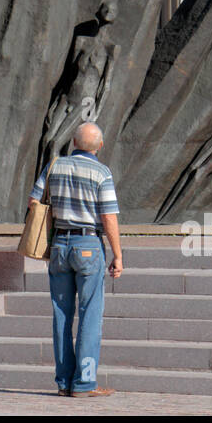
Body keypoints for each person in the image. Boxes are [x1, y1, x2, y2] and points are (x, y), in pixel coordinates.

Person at [28, 121, 123, 397]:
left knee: (61, 314)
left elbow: (34, 202)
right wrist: (117, 255)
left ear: (73, 143)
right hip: (88, 245)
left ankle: (63, 381)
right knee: (90, 315)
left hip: (58, 245)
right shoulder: (101, 173)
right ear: (100, 147)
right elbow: (108, 217)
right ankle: (84, 383)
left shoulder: (54, 166)